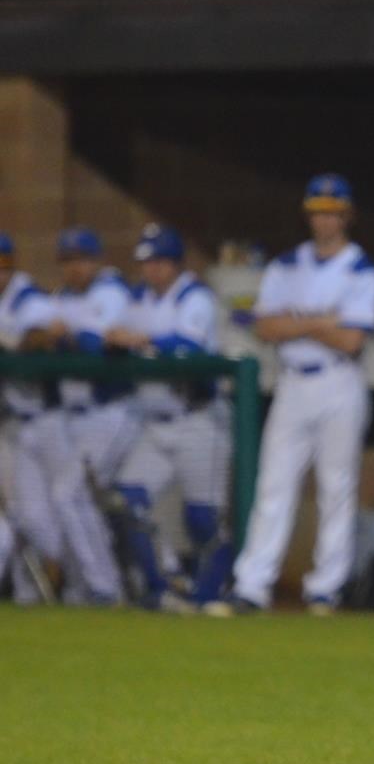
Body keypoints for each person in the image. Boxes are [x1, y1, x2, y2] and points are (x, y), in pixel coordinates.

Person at [212, 174, 374, 614]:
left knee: (336, 487)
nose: (323, 220)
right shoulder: (286, 264)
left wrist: (300, 323)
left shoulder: (361, 269)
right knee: (273, 483)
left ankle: (326, 586)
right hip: (293, 380)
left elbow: (352, 341)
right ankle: (253, 584)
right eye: (316, 212)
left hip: (339, 380)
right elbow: (266, 326)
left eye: (331, 212)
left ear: (347, 215)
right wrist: (321, 322)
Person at [106, 225, 232, 610]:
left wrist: (141, 341)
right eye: (146, 262)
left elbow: (186, 348)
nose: (152, 269)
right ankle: (163, 586)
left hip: (197, 418)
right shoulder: (136, 298)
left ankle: (209, 594)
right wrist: (121, 340)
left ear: (176, 263)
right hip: (154, 421)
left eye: (159, 261)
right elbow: (110, 336)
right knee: (127, 500)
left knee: (203, 519)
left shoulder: (195, 296)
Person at [0, 231, 98, 605]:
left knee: (67, 503)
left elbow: (41, 335)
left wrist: (12, 340)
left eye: (3, 267)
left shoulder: (28, 295)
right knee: (32, 518)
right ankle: (46, 590)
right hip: (14, 423)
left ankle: (86, 588)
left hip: (50, 418)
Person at [45, 227, 138, 603]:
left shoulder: (111, 290)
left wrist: (63, 335)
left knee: (69, 493)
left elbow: (96, 342)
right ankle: (91, 586)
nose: (75, 268)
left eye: (82, 259)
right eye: (68, 261)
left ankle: (105, 586)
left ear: (96, 261)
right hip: (70, 414)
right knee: (73, 500)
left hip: (109, 411)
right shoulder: (62, 296)